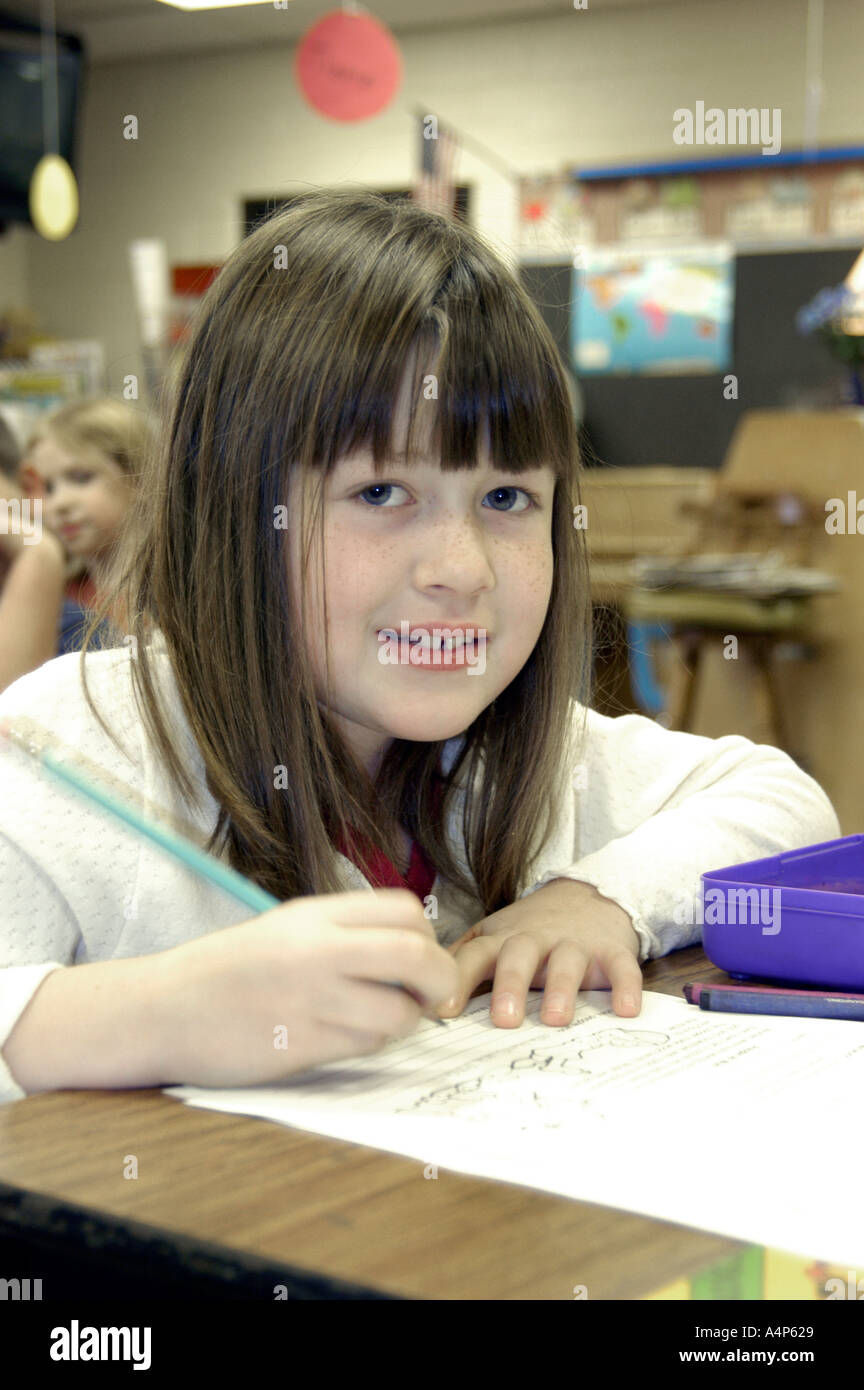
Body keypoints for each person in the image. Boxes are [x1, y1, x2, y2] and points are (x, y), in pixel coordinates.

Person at [0, 190, 840, 1104]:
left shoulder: (532, 756)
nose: (462, 568)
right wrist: (161, 1013)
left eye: (507, 498)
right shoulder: (64, 752)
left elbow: (780, 800)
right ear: (235, 506)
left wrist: (599, 898)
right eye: (381, 492)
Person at [0, 398, 152, 692]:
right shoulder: (59, 591)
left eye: (80, 478)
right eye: (47, 489)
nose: (59, 503)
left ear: (138, 476)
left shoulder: (169, 593)